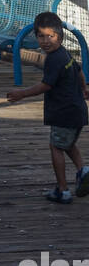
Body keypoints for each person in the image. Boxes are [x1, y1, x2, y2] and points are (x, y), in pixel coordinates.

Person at [6, 11, 89, 203]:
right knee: (67, 143)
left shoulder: (53, 59)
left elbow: (45, 85)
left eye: (50, 36)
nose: (46, 41)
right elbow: (80, 72)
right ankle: (83, 171)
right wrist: (84, 90)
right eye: (41, 36)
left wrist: (21, 94)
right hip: (77, 111)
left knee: (56, 147)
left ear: (59, 35)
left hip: (64, 112)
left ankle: (63, 190)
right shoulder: (65, 53)